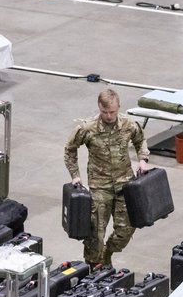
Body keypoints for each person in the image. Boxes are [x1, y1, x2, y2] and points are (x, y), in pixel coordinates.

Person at [64, 89, 149, 267]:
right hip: (99, 186)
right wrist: (75, 176)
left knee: (125, 230)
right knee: (95, 234)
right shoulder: (87, 128)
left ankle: (107, 252)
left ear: (118, 107)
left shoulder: (129, 124)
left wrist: (142, 160)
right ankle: (94, 268)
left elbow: (140, 140)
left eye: (112, 112)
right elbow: (70, 149)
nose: (109, 116)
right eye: (105, 112)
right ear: (99, 108)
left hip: (124, 185)